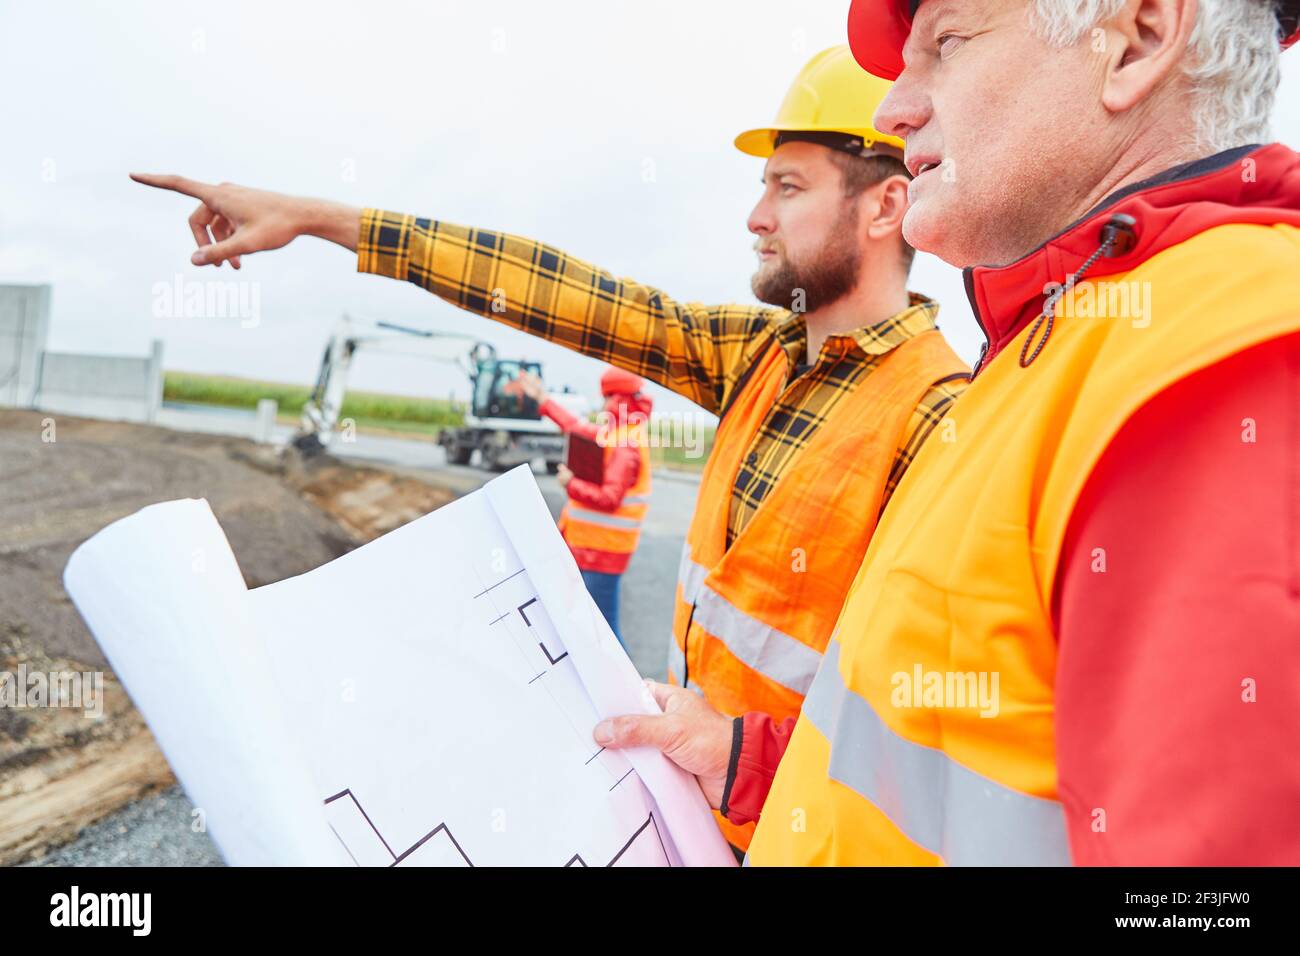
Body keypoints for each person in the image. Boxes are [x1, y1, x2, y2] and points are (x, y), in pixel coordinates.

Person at [129, 44, 969, 854]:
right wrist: (320, 219)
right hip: (693, 820)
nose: (755, 217)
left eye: (787, 187)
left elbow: (938, 744)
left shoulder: (938, 418)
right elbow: (564, 293)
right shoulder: (757, 351)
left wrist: (743, 760)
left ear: (886, 206)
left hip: (801, 840)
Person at [595, 0, 1300, 865]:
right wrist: (749, 765)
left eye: (948, 44)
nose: (894, 106)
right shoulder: (1042, 357)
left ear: (1137, 40)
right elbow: (947, 781)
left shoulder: (1218, 367)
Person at [511, 366, 652, 645]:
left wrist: (571, 483)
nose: (602, 406)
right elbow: (575, 427)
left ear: (617, 400)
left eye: (606, 399)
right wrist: (543, 399)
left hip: (602, 551)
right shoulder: (619, 434)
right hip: (593, 548)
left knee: (605, 628)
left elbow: (610, 498)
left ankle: (625, 688)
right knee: (592, 622)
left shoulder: (625, 444)